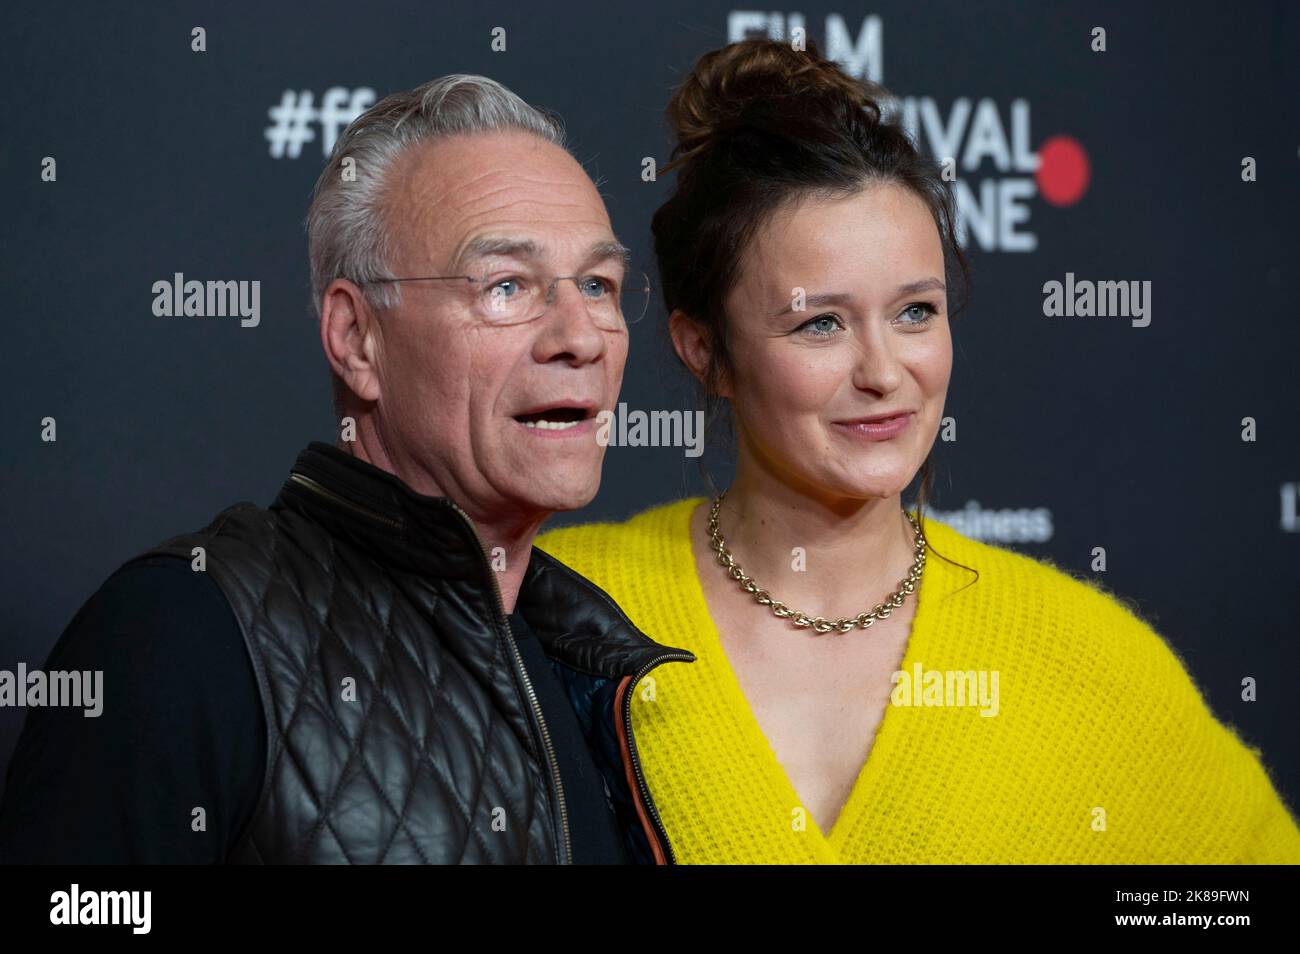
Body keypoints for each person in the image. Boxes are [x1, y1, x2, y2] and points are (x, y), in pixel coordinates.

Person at [535, 38, 1300, 864]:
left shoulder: (1086, 660)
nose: (883, 373)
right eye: (819, 323)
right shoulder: (564, 613)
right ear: (703, 349)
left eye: (915, 313)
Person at [0, 74, 694, 864]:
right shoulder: (183, 632)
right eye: (507, 286)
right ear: (357, 339)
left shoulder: (588, 665)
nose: (582, 336)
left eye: (599, 285)